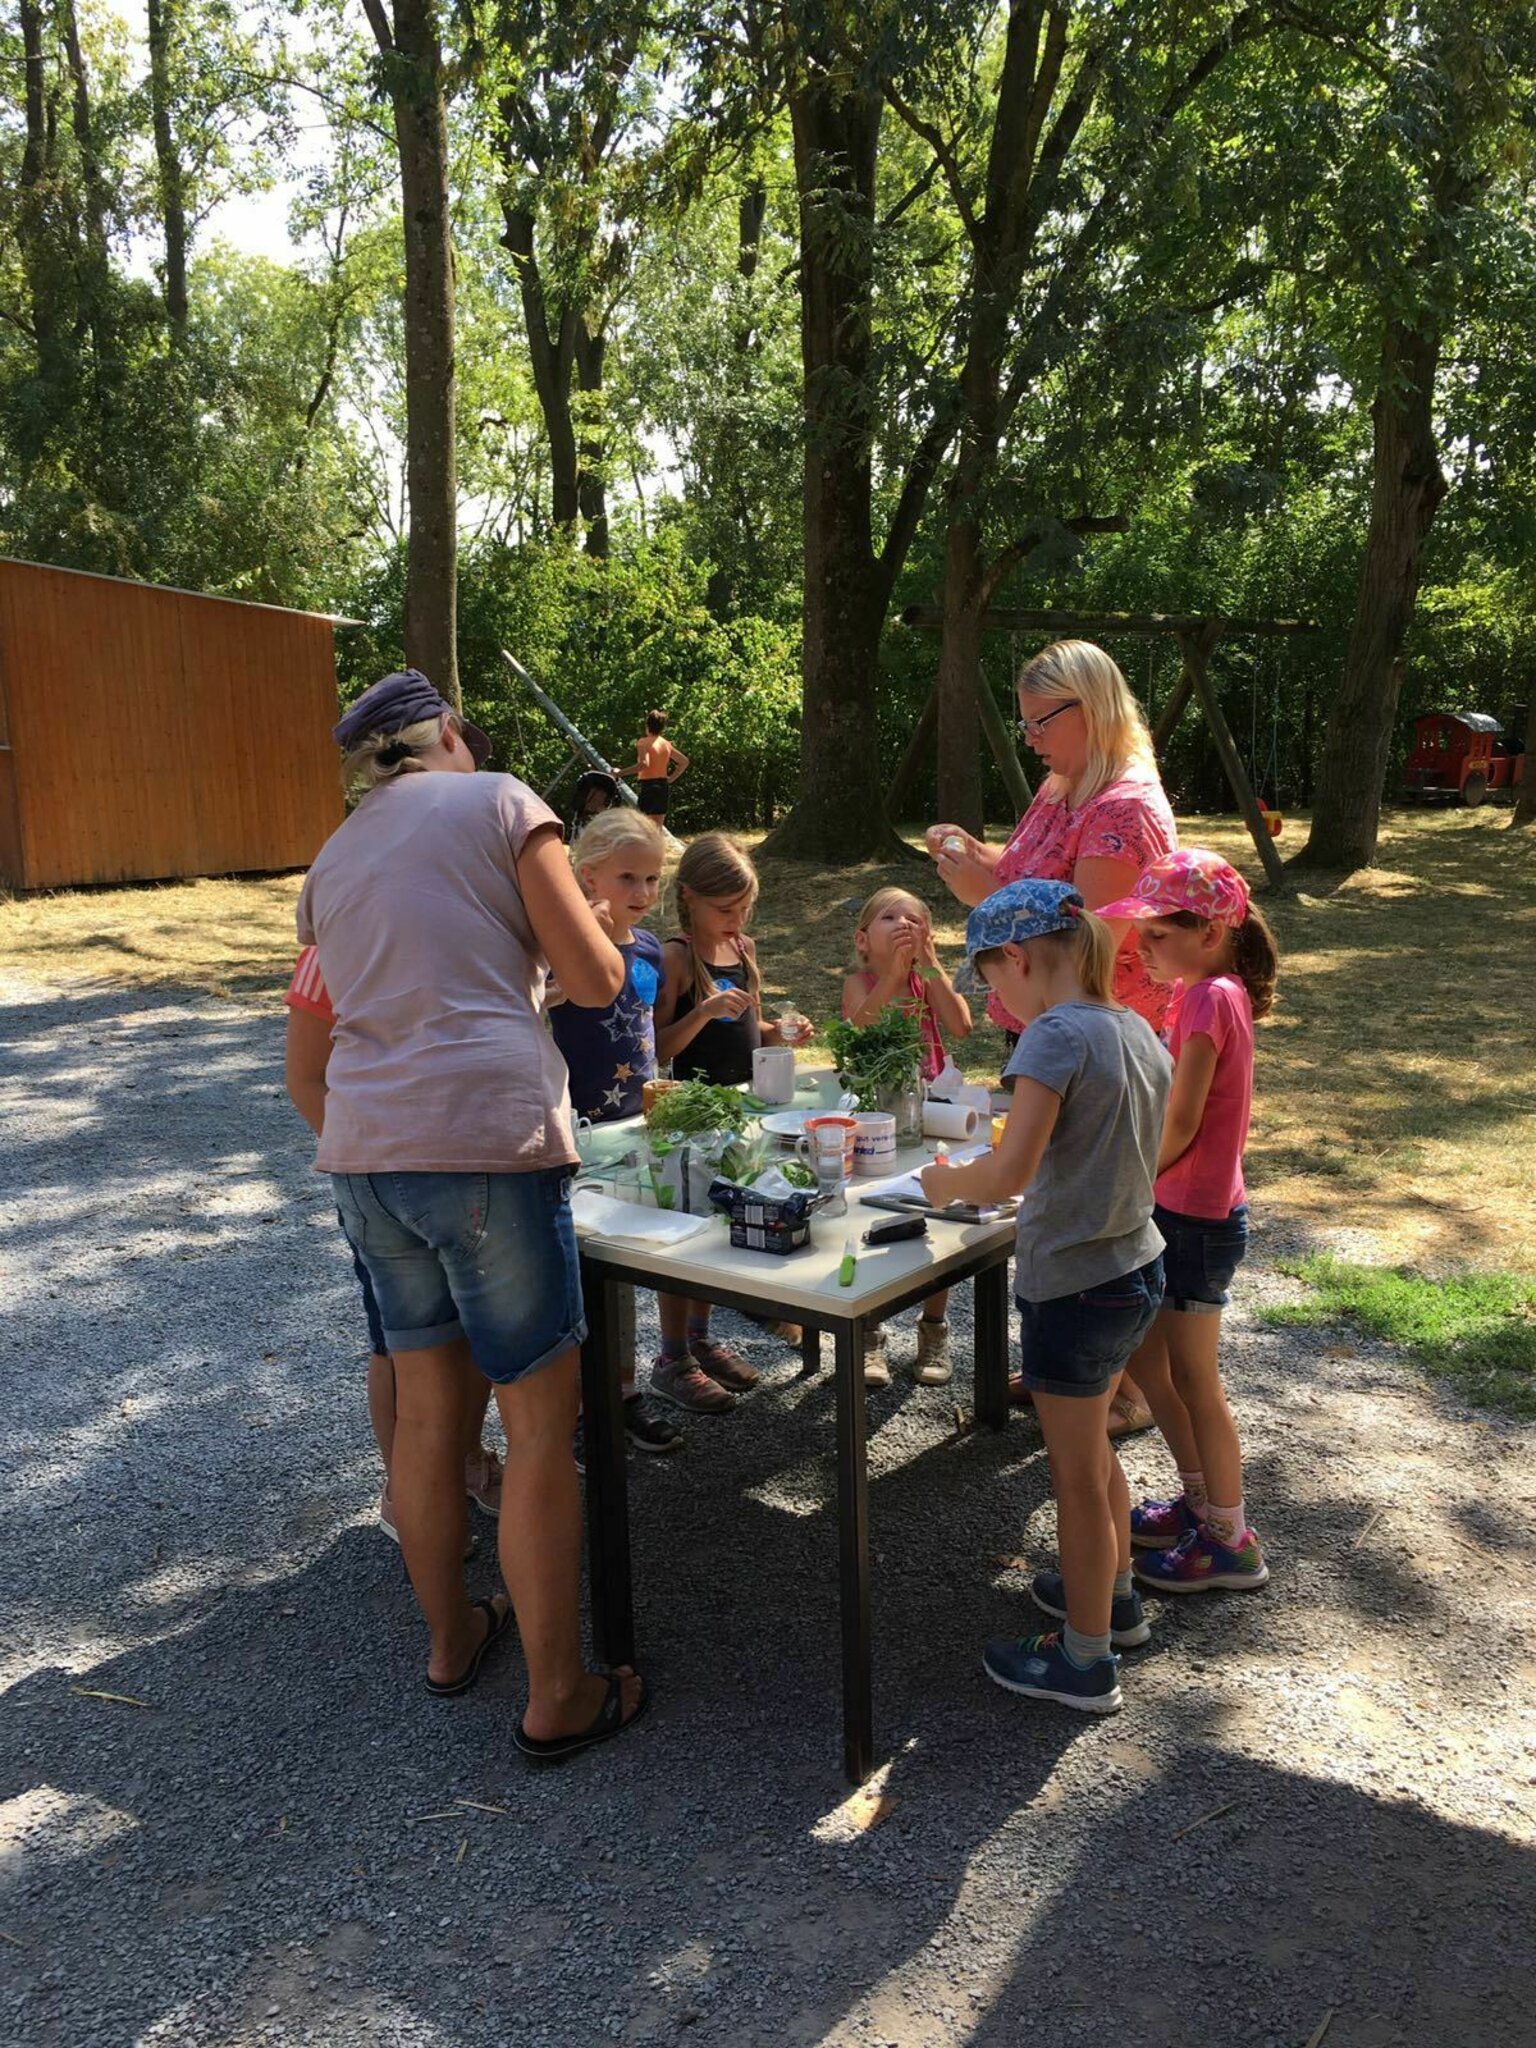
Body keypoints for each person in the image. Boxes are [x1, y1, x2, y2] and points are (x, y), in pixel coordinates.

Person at [298, 667, 646, 1757]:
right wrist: (590, 935)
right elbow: (599, 980)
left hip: (367, 1155)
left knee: (426, 1417)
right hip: (486, 1139)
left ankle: (452, 1640)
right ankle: (557, 1694)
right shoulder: (501, 800)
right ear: (447, 731)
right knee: (537, 1426)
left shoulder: (332, 856)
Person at [920, 880, 1171, 1715]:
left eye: (990, 980)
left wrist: (946, 1184)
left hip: (1076, 1286)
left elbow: (1007, 1173)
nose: (995, 1000)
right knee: (1095, 1454)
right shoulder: (1135, 1028)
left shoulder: (1053, 1036)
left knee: (1075, 1477)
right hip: (1135, 1267)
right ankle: (1117, 1600)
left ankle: (1085, 1660)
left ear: (1017, 959)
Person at [927, 639, 1176, 1439]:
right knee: (1055, 1193)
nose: (1031, 738)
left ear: (1091, 709)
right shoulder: (1064, 784)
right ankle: (1068, 1371)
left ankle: (1114, 1391)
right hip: (1048, 1031)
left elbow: (1090, 940)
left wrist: (983, 896)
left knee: (1094, 1209)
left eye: (1042, 722)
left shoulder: (1122, 808)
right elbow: (1029, 876)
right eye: (1024, 722)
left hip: (1096, 1046)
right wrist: (977, 857)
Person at [1095, 849, 1277, 1595]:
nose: (1141, 946)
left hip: (1196, 1218)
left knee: (1195, 1376)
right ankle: (1201, 1505)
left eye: (1158, 934)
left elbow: (1183, 1118)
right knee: (1151, 1363)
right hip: (1180, 1208)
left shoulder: (1208, 997)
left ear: (1209, 932)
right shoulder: (1207, 992)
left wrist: (1127, 1180)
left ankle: (1231, 1540)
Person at [283, 945, 506, 1536]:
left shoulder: (459, 927)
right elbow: (304, 1078)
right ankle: (404, 1486)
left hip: (474, 1174)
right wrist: (369, 1165)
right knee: (399, 1345)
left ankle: (464, 1461)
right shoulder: (330, 949)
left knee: (472, 1331)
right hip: (380, 1183)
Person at [650, 832, 811, 1411]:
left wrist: (782, 1032)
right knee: (687, 1231)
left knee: (721, 1226)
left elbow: (753, 1029)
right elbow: (659, 1045)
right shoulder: (675, 957)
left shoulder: (742, 948)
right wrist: (704, 1010)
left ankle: (699, 1339)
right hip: (689, 1118)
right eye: (725, 909)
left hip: (738, 1114)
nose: (736, 920)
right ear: (689, 898)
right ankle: (671, 1357)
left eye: (744, 908)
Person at [547, 808, 680, 1455]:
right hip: (575, 1131)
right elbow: (536, 1002)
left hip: (633, 1130)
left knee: (621, 1270)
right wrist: (575, 948)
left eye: (652, 879)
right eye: (627, 877)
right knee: (573, 1275)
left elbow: (647, 1030)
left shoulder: (649, 948)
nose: (643, 892)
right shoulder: (561, 945)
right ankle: (575, 1409)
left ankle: (622, 1393)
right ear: (586, 875)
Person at [841, 887, 972, 1388]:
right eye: (890, 917)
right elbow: (859, 1030)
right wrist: (893, 977)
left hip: (929, 1115)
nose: (903, 925)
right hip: (876, 1114)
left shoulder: (925, 981)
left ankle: (933, 1326)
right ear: (862, 939)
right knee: (869, 1215)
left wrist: (931, 964)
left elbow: (960, 1025)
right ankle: (870, 1330)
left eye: (915, 921)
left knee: (934, 1214)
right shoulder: (859, 982)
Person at [631, 710, 688, 819]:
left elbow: (643, 764)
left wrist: (620, 773)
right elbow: (684, 761)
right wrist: (670, 779)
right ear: (662, 728)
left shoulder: (643, 742)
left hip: (648, 786)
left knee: (643, 823)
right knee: (657, 825)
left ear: (647, 726)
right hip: (662, 786)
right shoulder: (666, 744)